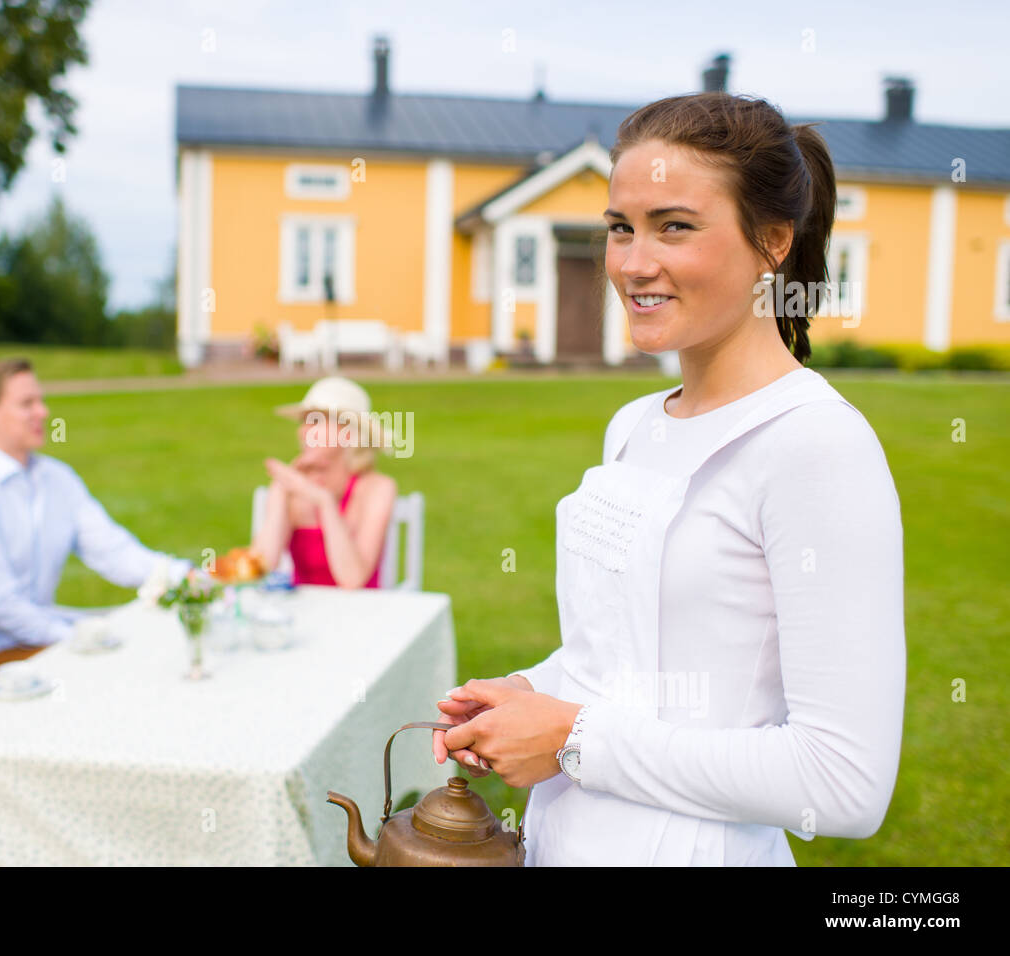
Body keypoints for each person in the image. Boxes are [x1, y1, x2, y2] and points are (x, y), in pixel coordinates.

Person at [433, 91, 905, 866]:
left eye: (675, 226)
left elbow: (844, 782)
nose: (632, 263)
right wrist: (529, 689)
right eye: (621, 227)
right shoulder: (636, 424)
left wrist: (573, 738)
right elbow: (629, 653)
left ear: (774, 240)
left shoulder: (817, 447)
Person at [0, 358, 193, 688]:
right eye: (27, 403)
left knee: (157, 640)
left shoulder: (57, 478)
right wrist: (78, 637)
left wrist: (187, 575)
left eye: (40, 401)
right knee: (128, 667)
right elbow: (3, 608)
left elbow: (112, 551)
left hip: (42, 637)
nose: (44, 412)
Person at [250, 376, 397, 589]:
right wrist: (282, 487)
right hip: (302, 615)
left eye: (316, 422)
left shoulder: (378, 488)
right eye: (304, 422)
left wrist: (324, 502)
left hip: (362, 616)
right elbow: (260, 567)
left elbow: (352, 579)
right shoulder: (292, 487)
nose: (302, 432)